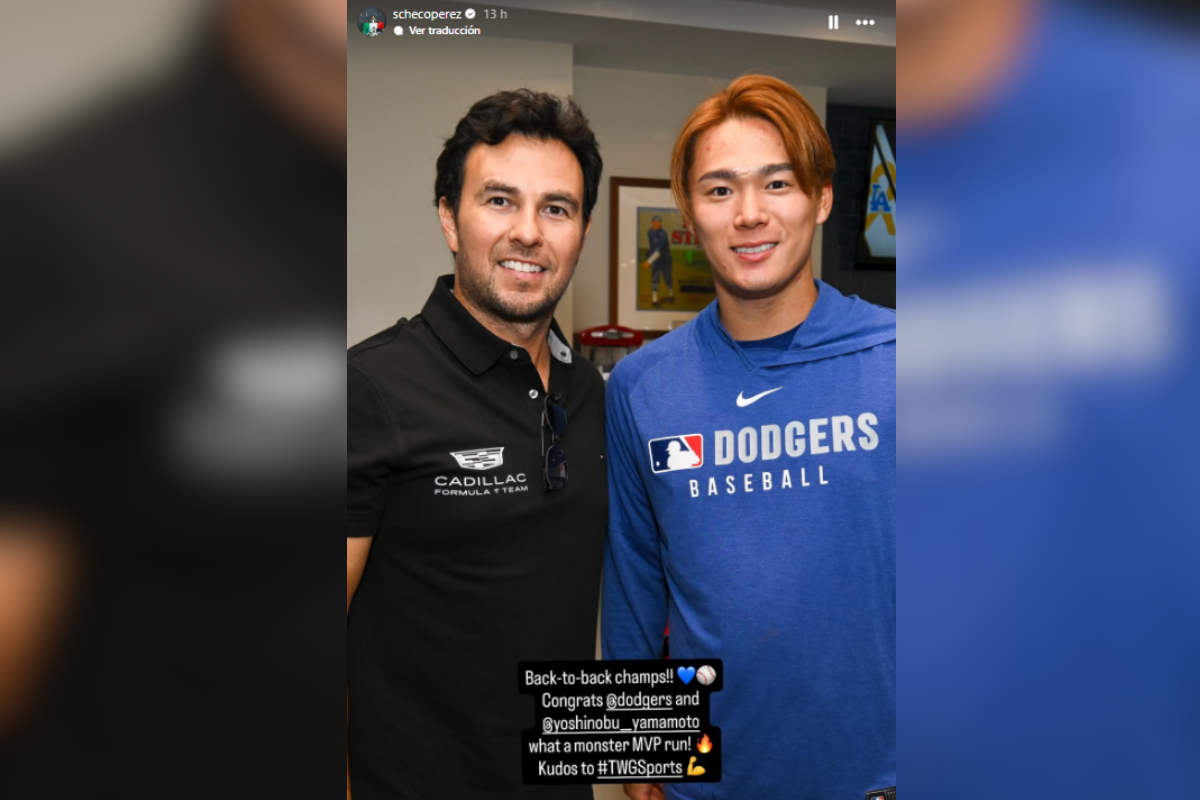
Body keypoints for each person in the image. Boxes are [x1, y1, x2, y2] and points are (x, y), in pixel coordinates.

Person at [602, 75, 896, 799]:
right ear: (690, 213)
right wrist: (640, 764)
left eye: (777, 183)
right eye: (721, 190)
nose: (751, 215)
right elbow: (634, 586)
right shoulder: (641, 386)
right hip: (708, 784)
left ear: (822, 198)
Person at [346, 89, 607, 799]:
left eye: (556, 208)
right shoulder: (367, 389)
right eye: (498, 200)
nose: (528, 231)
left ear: (582, 231)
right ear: (449, 220)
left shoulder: (594, 396)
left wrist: (654, 756)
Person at [643, 215, 675, 306]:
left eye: (660, 222)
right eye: (657, 222)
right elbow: (651, 243)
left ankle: (671, 295)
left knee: (667, 278)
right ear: (652, 222)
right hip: (655, 260)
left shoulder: (663, 234)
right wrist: (648, 250)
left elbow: (659, 250)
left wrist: (649, 261)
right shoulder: (650, 231)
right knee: (655, 279)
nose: (658, 223)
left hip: (665, 259)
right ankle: (654, 300)